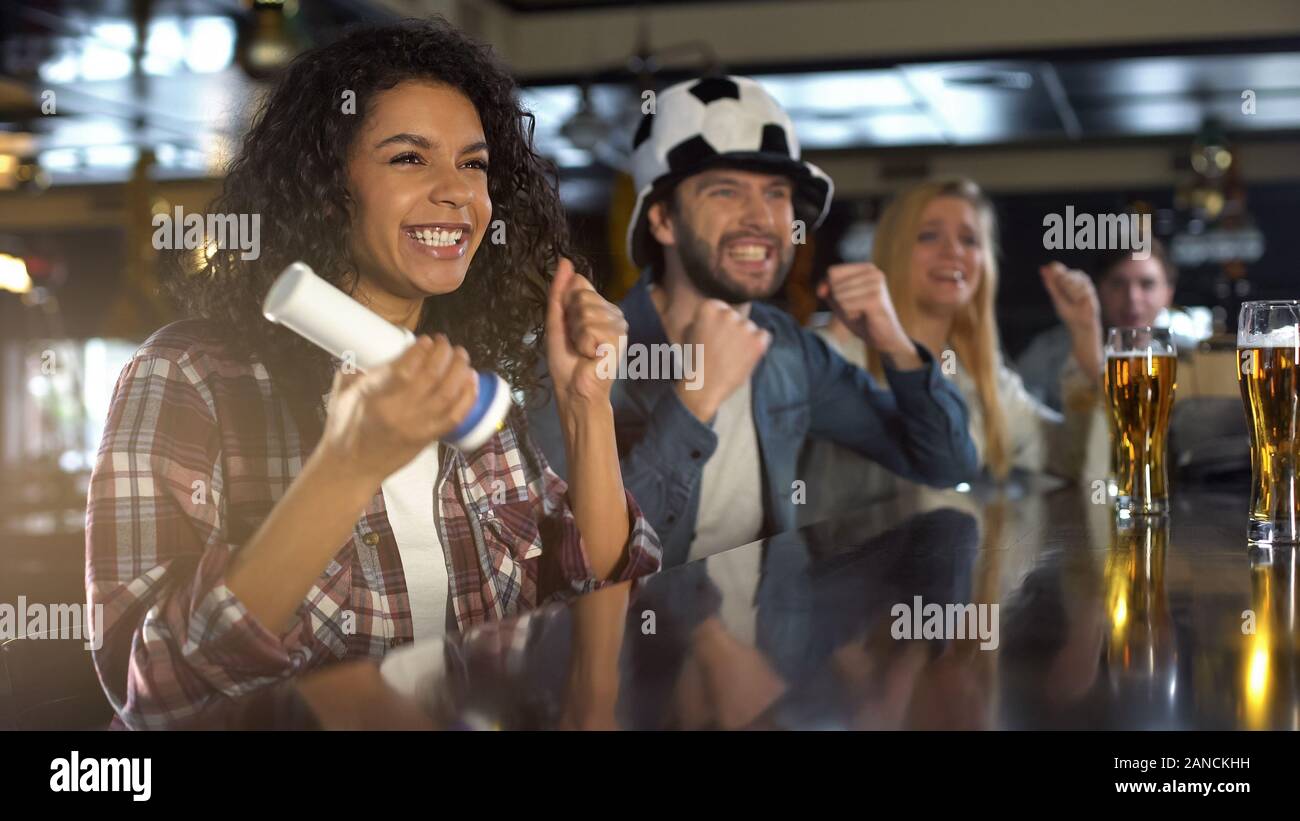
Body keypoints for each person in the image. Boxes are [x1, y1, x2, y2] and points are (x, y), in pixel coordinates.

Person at [85, 19, 660, 730]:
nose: (457, 193)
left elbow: (595, 598)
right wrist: (345, 468)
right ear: (330, 191)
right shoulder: (187, 376)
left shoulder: (468, 389)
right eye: (410, 159)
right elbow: (155, 690)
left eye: (474, 164)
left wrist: (586, 406)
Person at [531, 76, 979, 568]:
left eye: (775, 194)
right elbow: (578, 567)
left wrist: (894, 342)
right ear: (662, 221)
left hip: (772, 635)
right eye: (725, 191)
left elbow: (946, 464)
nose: (760, 218)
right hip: (638, 641)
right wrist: (694, 402)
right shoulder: (580, 357)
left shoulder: (787, 348)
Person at [802, 178, 1108, 523]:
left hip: (951, 570)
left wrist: (1085, 336)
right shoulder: (838, 351)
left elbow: (1076, 461)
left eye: (969, 240)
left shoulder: (982, 376)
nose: (954, 251)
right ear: (892, 250)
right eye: (929, 236)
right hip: (846, 572)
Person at [1016, 240, 1186, 411]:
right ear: (1099, 288)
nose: (1132, 297)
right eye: (1118, 284)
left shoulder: (1189, 359)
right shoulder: (1048, 353)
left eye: (1147, 284)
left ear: (1168, 294)